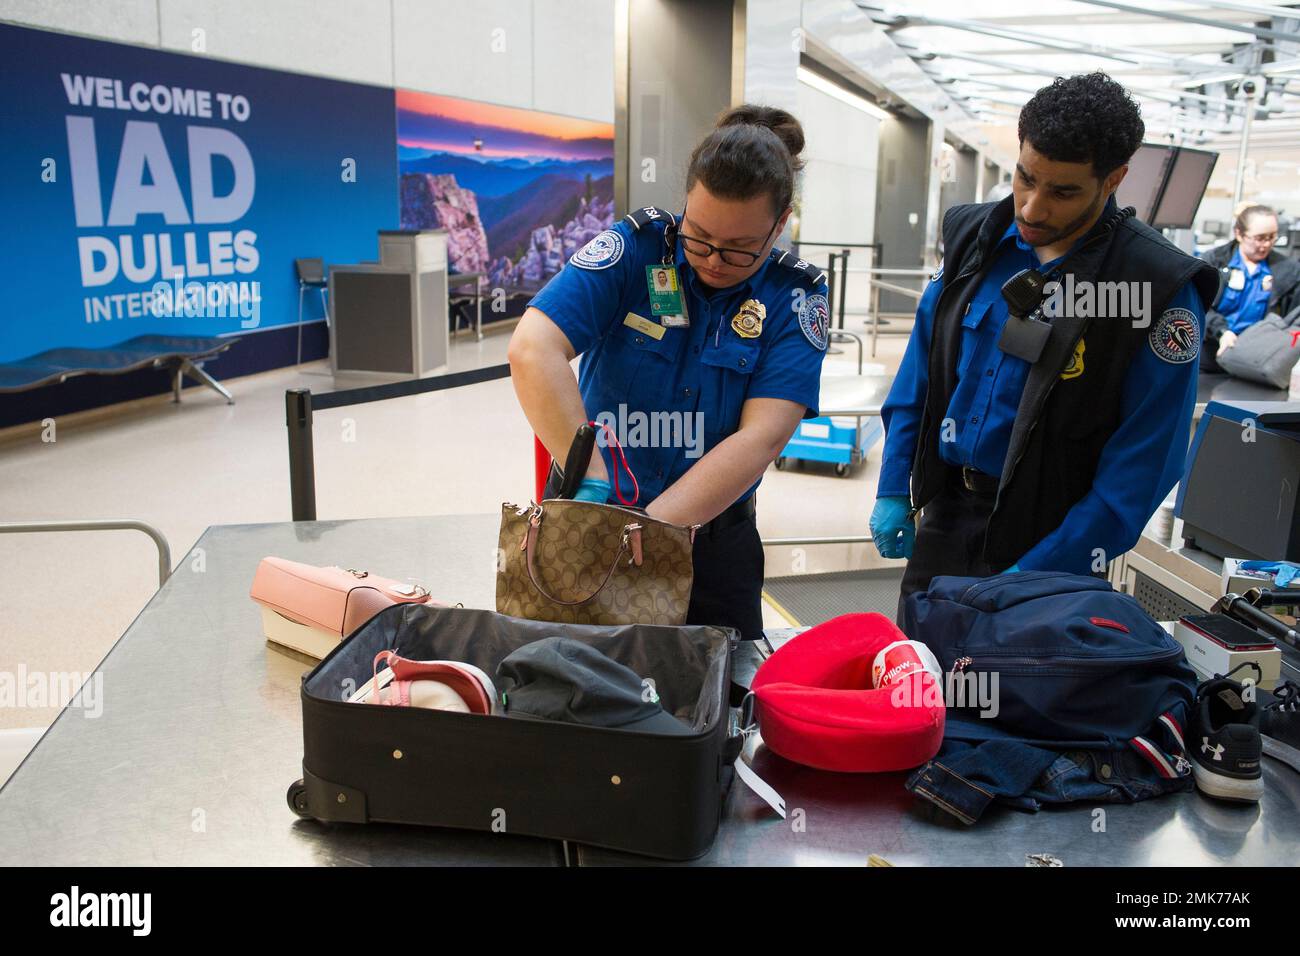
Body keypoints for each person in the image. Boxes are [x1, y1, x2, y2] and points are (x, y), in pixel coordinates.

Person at [869, 72, 1220, 614]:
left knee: (1010, 695)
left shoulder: (1155, 287)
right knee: (920, 685)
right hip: (946, 515)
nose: (1032, 208)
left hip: (1052, 543)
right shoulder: (974, 238)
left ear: (1114, 180)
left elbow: (1144, 466)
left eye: (1062, 192)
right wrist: (895, 485)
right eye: (1025, 178)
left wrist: (1040, 572)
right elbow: (923, 367)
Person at [508, 105, 830, 642]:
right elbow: (532, 348)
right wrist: (593, 480)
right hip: (591, 523)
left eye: (740, 249)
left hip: (712, 542)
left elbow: (763, 435)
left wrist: (652, 532)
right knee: (568, 685)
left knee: (713, 700)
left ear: (780, 224)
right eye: (699, 235)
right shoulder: (634, 251)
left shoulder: (795, 295)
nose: (713, 260)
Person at [1200, 202, 1300, 373]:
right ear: (1239, 234)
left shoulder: (1289, 270)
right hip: (1211, 355)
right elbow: (1199, 306)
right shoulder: (1214, 261)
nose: (1267, 244)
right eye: (1260, 238)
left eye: (1272, 237)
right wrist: (1222, 331)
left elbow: (1291, 319)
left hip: (1257, 361)